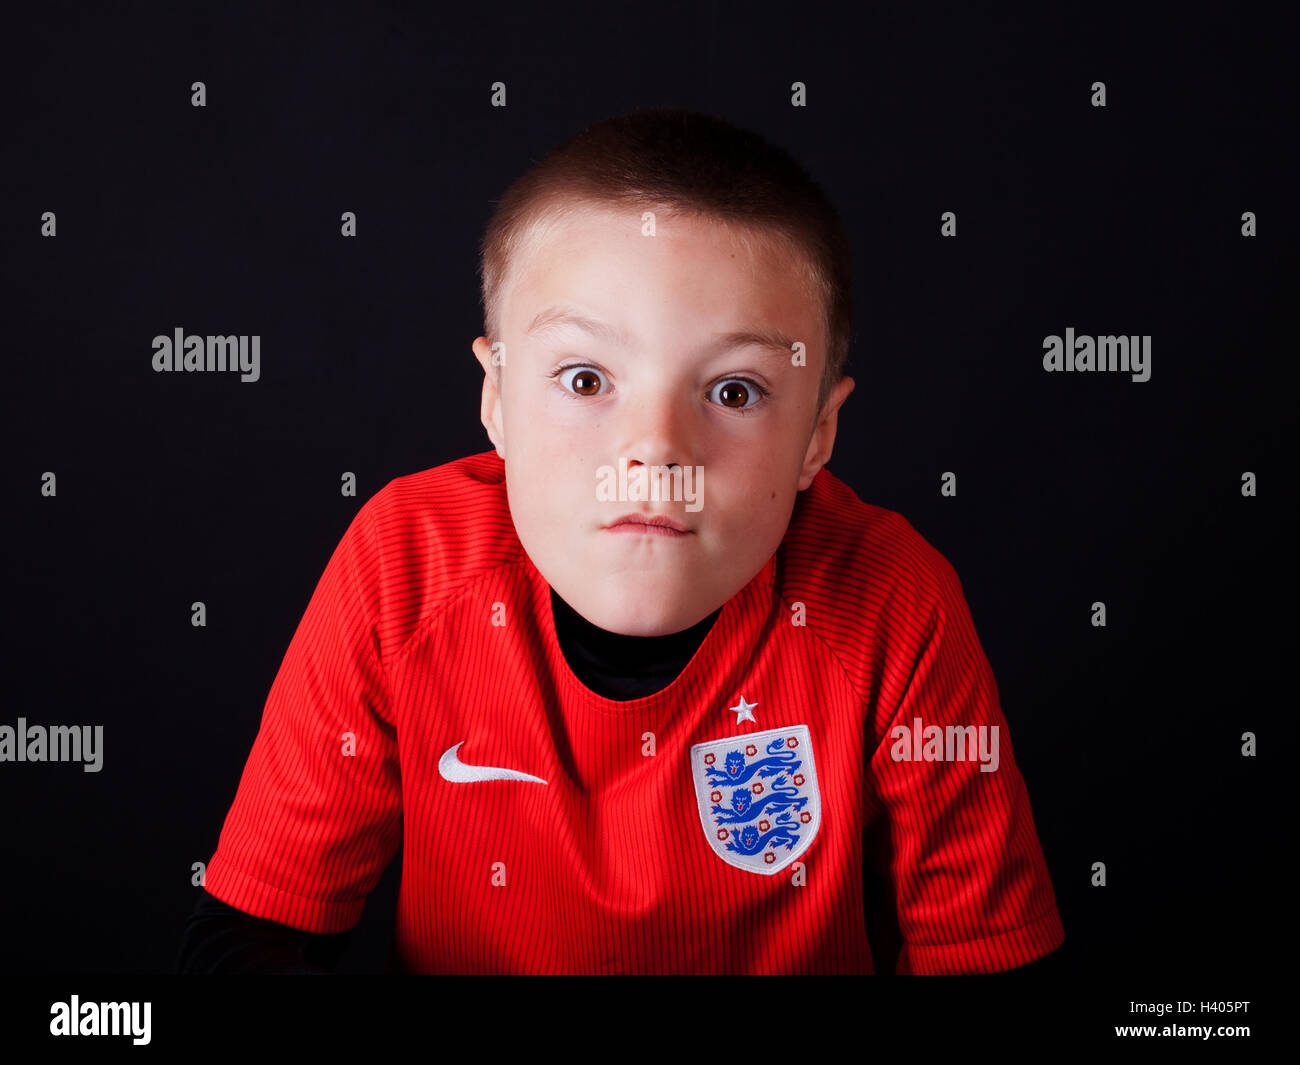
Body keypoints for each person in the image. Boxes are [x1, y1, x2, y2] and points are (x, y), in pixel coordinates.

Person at [178, 107, 1065, 974]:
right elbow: (252, 935)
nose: (655, 450)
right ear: (496, 398)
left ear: (818, 438)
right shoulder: (404, 565)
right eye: (586, 376)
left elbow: (986, 959)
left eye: (735, 392)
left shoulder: (893, 603)